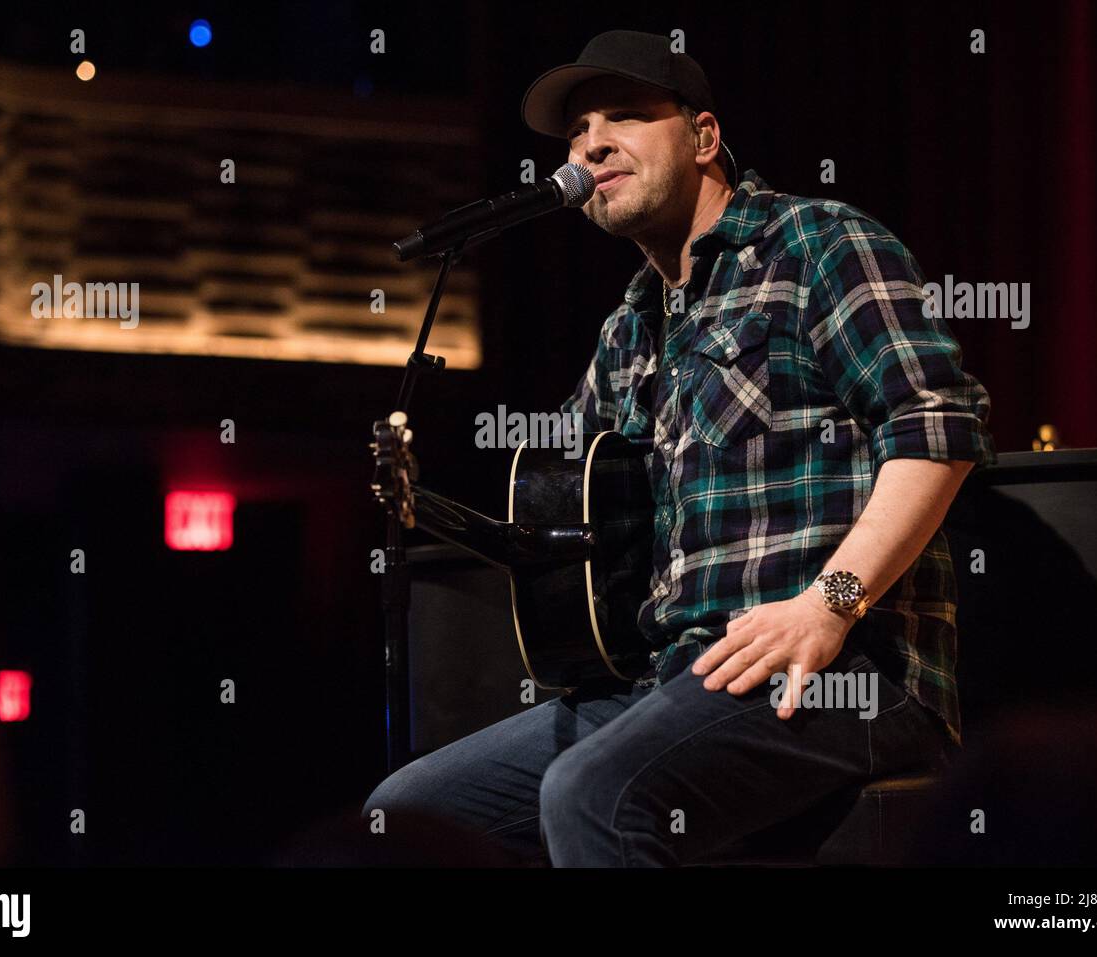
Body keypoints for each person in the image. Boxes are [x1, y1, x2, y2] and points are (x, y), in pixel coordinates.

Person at [362, 29, 997, 867]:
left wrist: (829, 603)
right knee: (404, 816)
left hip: (847, 667)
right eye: (578, 130)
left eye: (624, 115)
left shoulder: (815, 243)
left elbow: (936, 425)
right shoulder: (629, 329)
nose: (591, 144)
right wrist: (426, 501)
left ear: (703, 138)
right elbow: (563, 519)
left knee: (592, 790)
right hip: (673, 679)